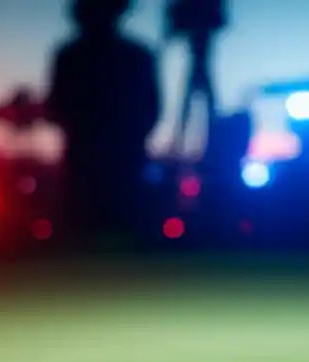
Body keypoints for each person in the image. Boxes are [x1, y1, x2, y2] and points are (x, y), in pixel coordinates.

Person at [47, 0, 161, 241]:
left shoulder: (135, 56)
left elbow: (151, 106)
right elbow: (58, 103)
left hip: (121, 152)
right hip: (87, 152)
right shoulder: (70, 56)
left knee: (122, 218)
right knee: (83, 219)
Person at [166, 0, 226, 155]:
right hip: (198, 61)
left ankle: (212, 143)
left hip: (199, 60)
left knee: (195, 103)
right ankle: (212, 142)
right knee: (203, 102)